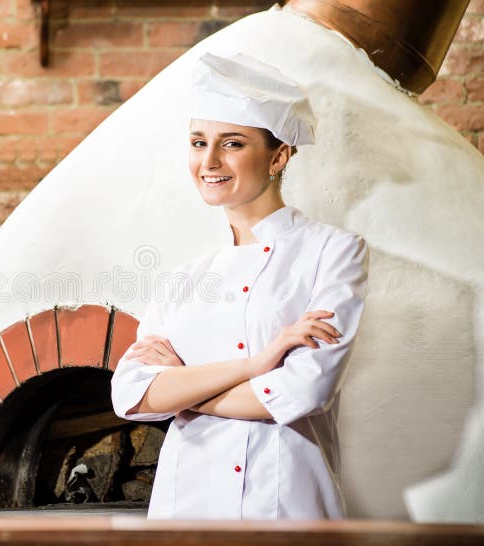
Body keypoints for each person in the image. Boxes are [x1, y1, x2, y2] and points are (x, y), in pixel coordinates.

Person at [110, 51, 370, 520]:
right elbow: (130, 395)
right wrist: (257, 364)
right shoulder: (183, 279)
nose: (208, 161)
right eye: (197, 142)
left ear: (279, 155)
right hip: (184, 509)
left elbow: (302, 393)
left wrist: (182, 389)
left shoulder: (334, 252)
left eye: (231, 143)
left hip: (286, 507)